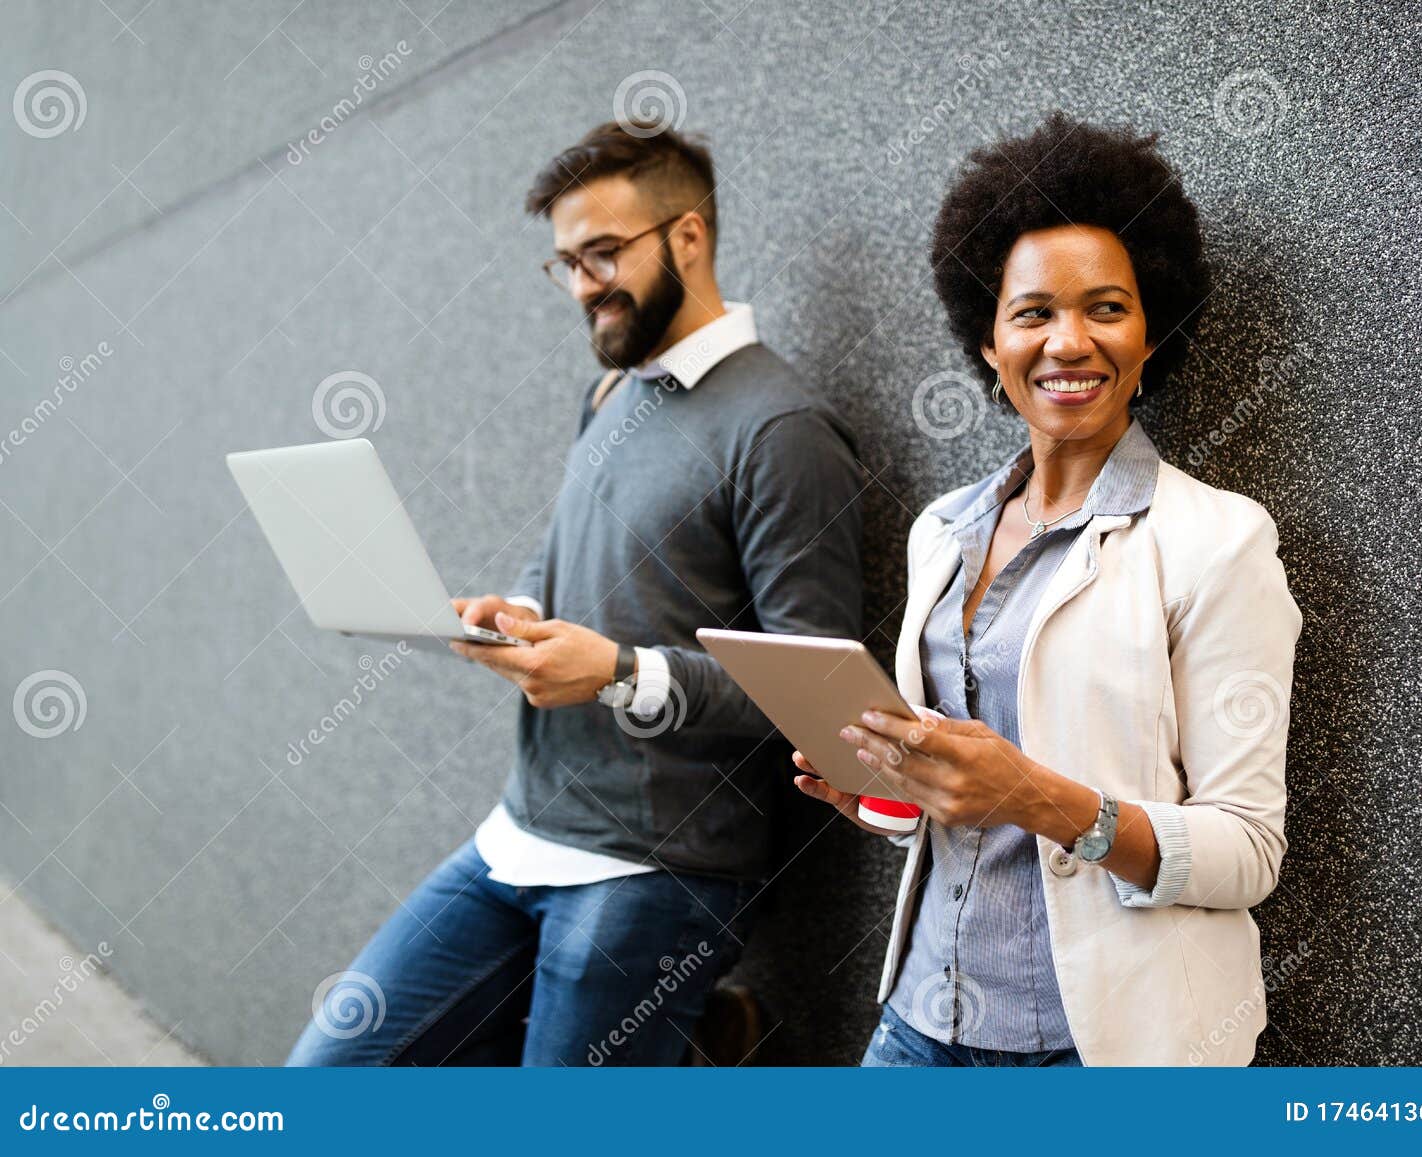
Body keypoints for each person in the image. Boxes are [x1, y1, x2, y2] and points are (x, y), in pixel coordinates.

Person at [287, 117, 864, 1066]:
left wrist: (621, 672)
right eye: (566, 263)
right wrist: (514, 614)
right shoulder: (610, 398)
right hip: (519, 832)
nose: (585, 284)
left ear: (688, 236)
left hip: (659, 868)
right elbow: (563, 566)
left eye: (603, 252)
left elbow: (822, 693)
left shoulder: (781, 428)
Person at [793, 112, 1303, 1067]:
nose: (1069, 342)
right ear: (989, 342)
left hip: (1098, 1047)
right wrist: (887, 797)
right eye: (1032, 313)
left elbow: (1247, 852)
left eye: (1106, 308)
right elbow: (963, 803)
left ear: (1150, 333)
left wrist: (1039, 797)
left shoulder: (1219, 541)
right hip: (922, 1021)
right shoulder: (942, 532)